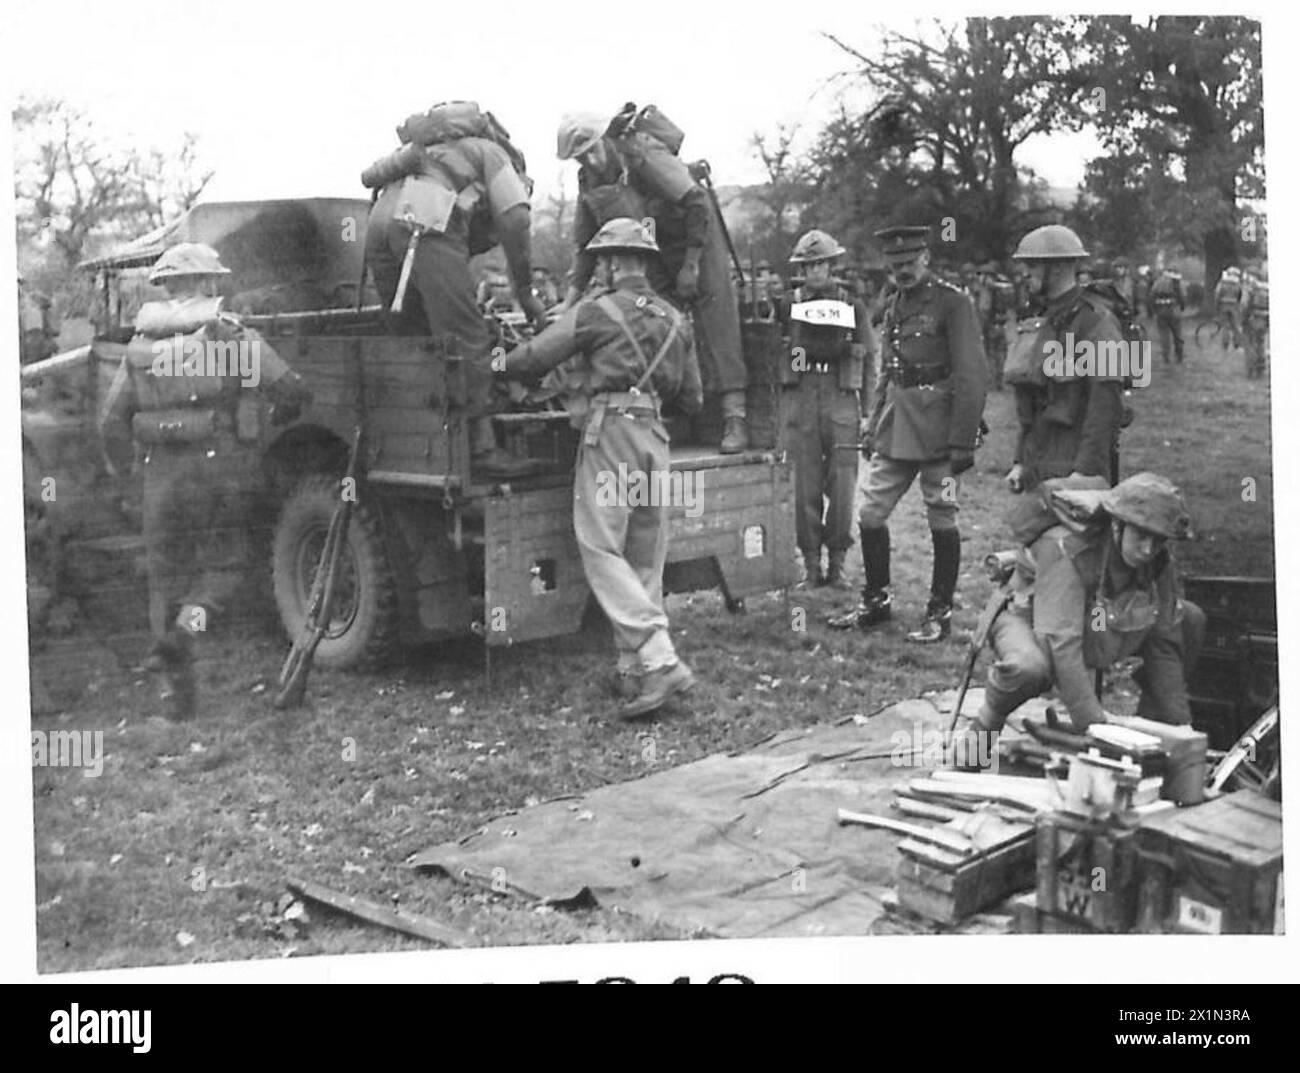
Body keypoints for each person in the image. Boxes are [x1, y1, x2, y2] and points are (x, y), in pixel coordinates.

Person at [496, 218, 703, 718]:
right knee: (645, 555)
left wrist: (496, 363)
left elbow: (533, 358)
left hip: (611, 435)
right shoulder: (676, 318)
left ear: (610, 263)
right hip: (656, 438)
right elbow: (693, 398)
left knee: (599, 546)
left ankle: (658, 658)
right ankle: (635, 672)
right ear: (646, 261)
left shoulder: (595, 312)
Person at [99, 243, 312, 719]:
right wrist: (278, 409)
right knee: (226, 568)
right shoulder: (225, 335)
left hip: (158, 477)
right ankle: (188, 630)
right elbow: (290, 388)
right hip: (217, 471)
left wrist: (127, 475)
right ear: (208, 283)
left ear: (165, 285)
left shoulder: (140, 346)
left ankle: (178, 700)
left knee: (166, 579)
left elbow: (111, 422)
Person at [950, 472, 1205, 765]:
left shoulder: (1158, 562)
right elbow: (1060, 642)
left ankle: (1149, 738)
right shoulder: (1068, 550)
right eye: (1140, 536)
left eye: (1158, 540)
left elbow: (1165, 639)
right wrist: (1094, 724)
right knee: (1028, 669)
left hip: (1093, 618)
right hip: (1026, 617)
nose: (1148, 549)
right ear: (1117, 525)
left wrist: (1179, 726)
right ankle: (981, 732)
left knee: (1189, 621)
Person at [361, 104, 547, 479]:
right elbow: (516, 219)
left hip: (380, 220)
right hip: (425, 216)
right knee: (467, 337)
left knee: (414, 336)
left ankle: (415, 439)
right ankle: (481, 449)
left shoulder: (433, 154)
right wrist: (525, 292)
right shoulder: (494, 156)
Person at [827, 224, 987, 643]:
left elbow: (972, 374)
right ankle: (876, 602)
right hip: (897, 428)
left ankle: (940, 611)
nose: (903, 270)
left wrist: (963, 440)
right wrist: (872, 421)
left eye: (910, 262)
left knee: (942, 514)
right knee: (870, 513)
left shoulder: (954, 304)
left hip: (942, 432)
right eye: (895, 264)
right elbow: (888, 372)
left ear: (927, 259)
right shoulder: (894, 304)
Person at [556, 111, 748, 453]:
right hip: (654, 249)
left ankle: (736, 417)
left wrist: (691, 265)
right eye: (579, 156)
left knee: (718, 320)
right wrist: (569, 302)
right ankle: (675, 415)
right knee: (655, 323)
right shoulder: (589, 180)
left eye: (591, 149)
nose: (588, 159)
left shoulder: (639, 151)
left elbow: (696, 201)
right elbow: (586, 245)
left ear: (603, 139)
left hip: (696, 240)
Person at [778, 229, 873, 588]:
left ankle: (838, 563)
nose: (815, 271)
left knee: (843, 481)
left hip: (841, 394)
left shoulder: (852, 304)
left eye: (821, 264)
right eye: (808, 265)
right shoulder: (789, 303)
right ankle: (811, 563)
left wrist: (867, 412)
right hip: (802, 394)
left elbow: (870, 354)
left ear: (833, 265)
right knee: (804, 482)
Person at [1003, 224, 1126, 493]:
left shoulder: (1096, 321)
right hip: (1041, 457)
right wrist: (1021, 460)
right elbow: (1032, 400)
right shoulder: (1045, 318)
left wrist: (1086, 471)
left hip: (1075, 462)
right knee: (1027, 531)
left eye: (1032, 266)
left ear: (1057, 268)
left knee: (1065, 536)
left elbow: (1105, 403)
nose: (1025, 274)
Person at [975, 261, 1013, 391]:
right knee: (1001, 354)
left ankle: (991, 382)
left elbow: (984, 309)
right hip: (1001, 324)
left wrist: (981, 327)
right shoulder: (1002, 288)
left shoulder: (986, 291)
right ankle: (1000, 381)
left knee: (990, 353)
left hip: (990, 325)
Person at [1147, 267, 1185, 364]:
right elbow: (1183, 296)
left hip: (1161, 312)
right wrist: (1182, 307)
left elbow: (1151, 296)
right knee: (1177, 334)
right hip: (1174, 311)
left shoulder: (1158, 282)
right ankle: (1179, 356)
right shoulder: (1177, 282)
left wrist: (1153, 311)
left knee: (1164, 335)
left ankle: (1166, 356)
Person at [1241, 263, 1269, 378]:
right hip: (1264, 317)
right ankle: (1261, 369)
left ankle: (1250, 369)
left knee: (1250, 343)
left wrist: (1243, 318)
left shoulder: (1250, 287)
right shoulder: (1267, 287)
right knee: (1261, 343)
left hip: (1252, 318)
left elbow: (1244, 304)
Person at [1213, 265, 1244, 351]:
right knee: (1235, 326)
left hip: (1223, 305)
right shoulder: (1238, 284)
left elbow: (1217, 294)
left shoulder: (1222, 282)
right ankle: (1237, 344)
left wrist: (1217, 305)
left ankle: (1225, 344)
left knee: (1225, 326)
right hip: (1234, 306)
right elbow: (1240, 295)